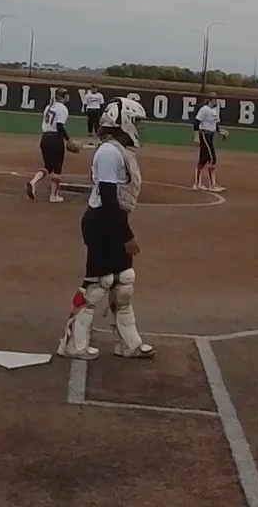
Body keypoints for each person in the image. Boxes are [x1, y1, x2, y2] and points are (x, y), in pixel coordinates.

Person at [56, 96, 154, 361]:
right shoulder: (110, 152)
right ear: (122, 121)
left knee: (123, 283)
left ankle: (128, 343)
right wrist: (127, 236)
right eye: (136, 122)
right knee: (97, 285)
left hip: (111, 219)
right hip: (102, 221)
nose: (139, 127)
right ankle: (72, 343)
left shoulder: (119, 150)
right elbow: (110, 199)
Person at [28, 87, 77, 202]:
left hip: (45, 138)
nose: (67, 96)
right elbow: (59, 126)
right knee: (57, 168)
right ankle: (53, 196)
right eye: (66, 95)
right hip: (55, 139)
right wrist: (68, 139)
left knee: (48, 166)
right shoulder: (63, 109)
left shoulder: (49, 107)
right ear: (62, 97)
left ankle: (33, 182)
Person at [192, 92, 226, 192]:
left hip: (210, 135)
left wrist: (220, 132)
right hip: (205, 134)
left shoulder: (214, 110)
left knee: (203, 159)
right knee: (212, 159)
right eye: (214, 99)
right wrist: (196, 136)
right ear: (210, 100)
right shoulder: (204, 109)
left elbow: (214, 123)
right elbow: (196, 122)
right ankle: (212, 185)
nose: (216, 101)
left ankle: (197, 184)